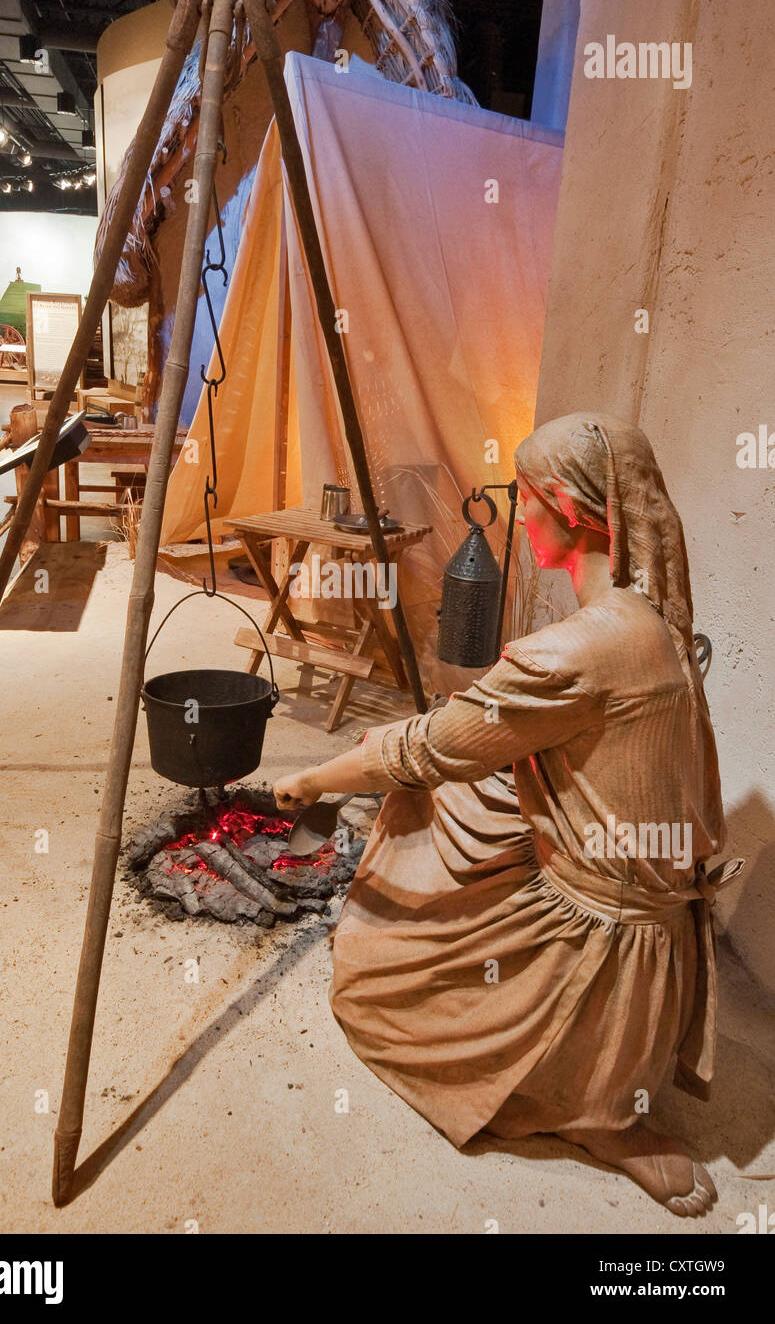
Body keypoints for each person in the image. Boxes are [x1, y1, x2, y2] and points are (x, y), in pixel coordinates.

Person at [274, 411, 743, 1217]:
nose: (519, 518)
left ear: (565, 506)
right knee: (466, 786)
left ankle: (604, 1114)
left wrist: (315, 779)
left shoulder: (583, 650)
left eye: (526, 501)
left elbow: (427, 746)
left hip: (618, 916)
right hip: (622, 864)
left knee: (425, 782)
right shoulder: (648, 617)